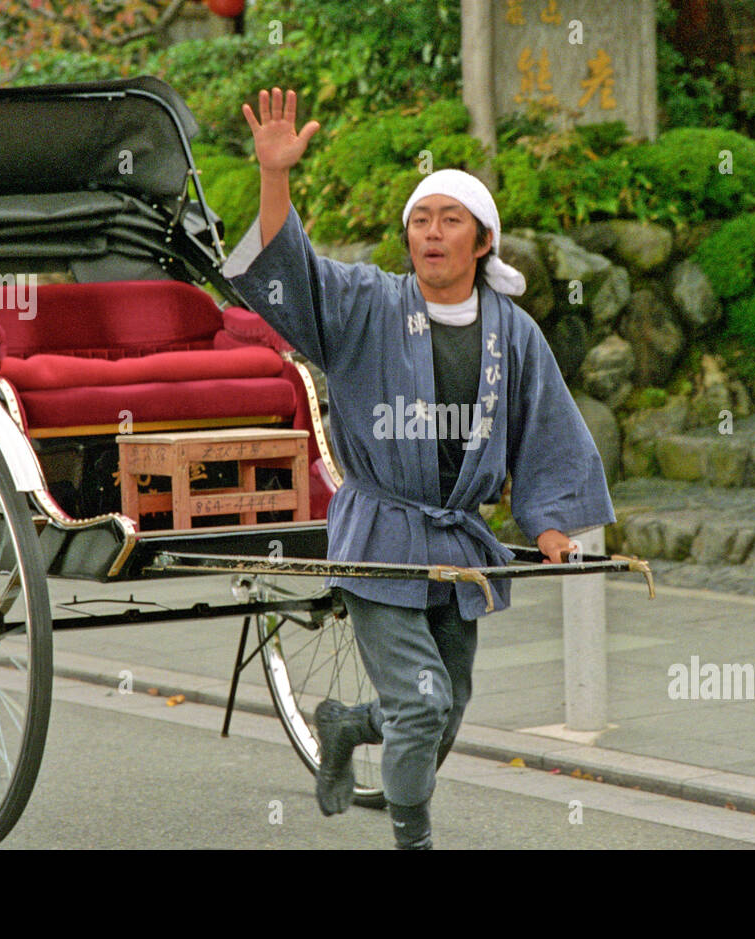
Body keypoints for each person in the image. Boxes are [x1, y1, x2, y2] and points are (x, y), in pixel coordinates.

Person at [223, 88, 614, 849]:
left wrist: (555, 525)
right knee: (425, 703)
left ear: (482, 242)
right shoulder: (368, 303)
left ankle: (344, 723)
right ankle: (415, 841)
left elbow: (546, 433)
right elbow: (291, 272)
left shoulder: (514, 333)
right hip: (379, 534)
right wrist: (277, 179)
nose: (432, 234)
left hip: (457, 543)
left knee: (444, 707)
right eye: (420, 221)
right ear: (408, 239)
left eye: (450, 221)